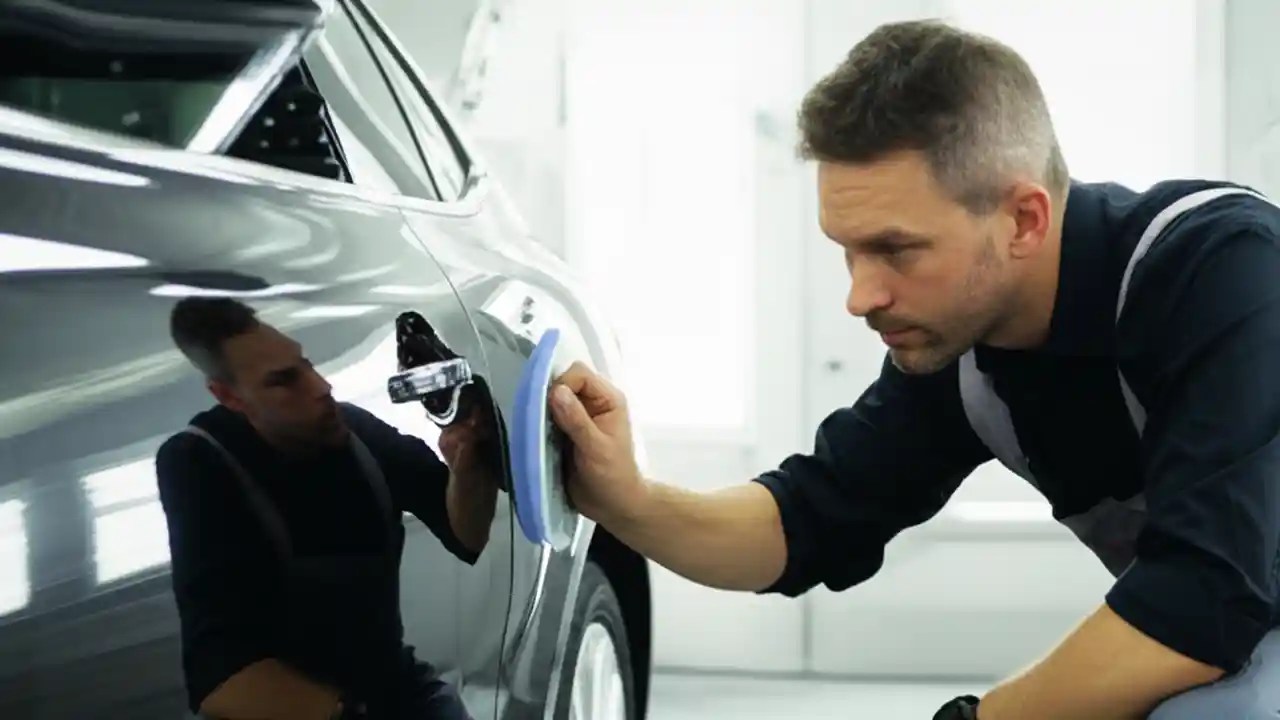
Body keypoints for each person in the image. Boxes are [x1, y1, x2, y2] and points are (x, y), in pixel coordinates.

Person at [546, 18, 1280, 720]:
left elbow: (1200, 602)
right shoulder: (963, 349)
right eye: (848, 249)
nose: (860, 295)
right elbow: (800, 522)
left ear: (1024, 219)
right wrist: (630, 502)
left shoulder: (1223, 273)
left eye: (896, 250)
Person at [155, 297, 499, 719]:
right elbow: (223, 680)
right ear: (229, 397)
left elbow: (466, 535)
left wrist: (466, 465)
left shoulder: (352, 430)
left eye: (306, 365)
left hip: (395, 686)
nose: (321, 388)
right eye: (284, 381)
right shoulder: (199, 463)